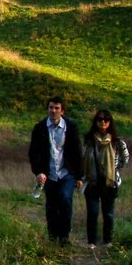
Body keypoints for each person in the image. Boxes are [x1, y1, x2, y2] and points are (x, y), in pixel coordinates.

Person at [28, 97, 83, 245]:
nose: (53, 111)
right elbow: (33, 153)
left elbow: (77, 152)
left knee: (65, 199)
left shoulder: (71, 127)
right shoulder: (39, 128)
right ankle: (53, 236)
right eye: (51, 107)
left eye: (57, 108)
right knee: (51, 204)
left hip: (67, 173)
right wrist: (38, 172)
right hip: (49, 173)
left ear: (62, 111)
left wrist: (79, 176)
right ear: (47, 109)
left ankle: (64, 236)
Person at [82, 109, 130, 248]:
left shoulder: (116, 141)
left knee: (108, 213)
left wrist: (116, 171)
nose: (102, 122)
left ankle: (108, 241)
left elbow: (125, 157)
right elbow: (82, 156)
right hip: (92, 181)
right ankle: (91, 241)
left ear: (110, 122)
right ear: (95, 121)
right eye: (100, 119)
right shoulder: (89, 139)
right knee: (92, 212)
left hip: (110, 181)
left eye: (106, 120)